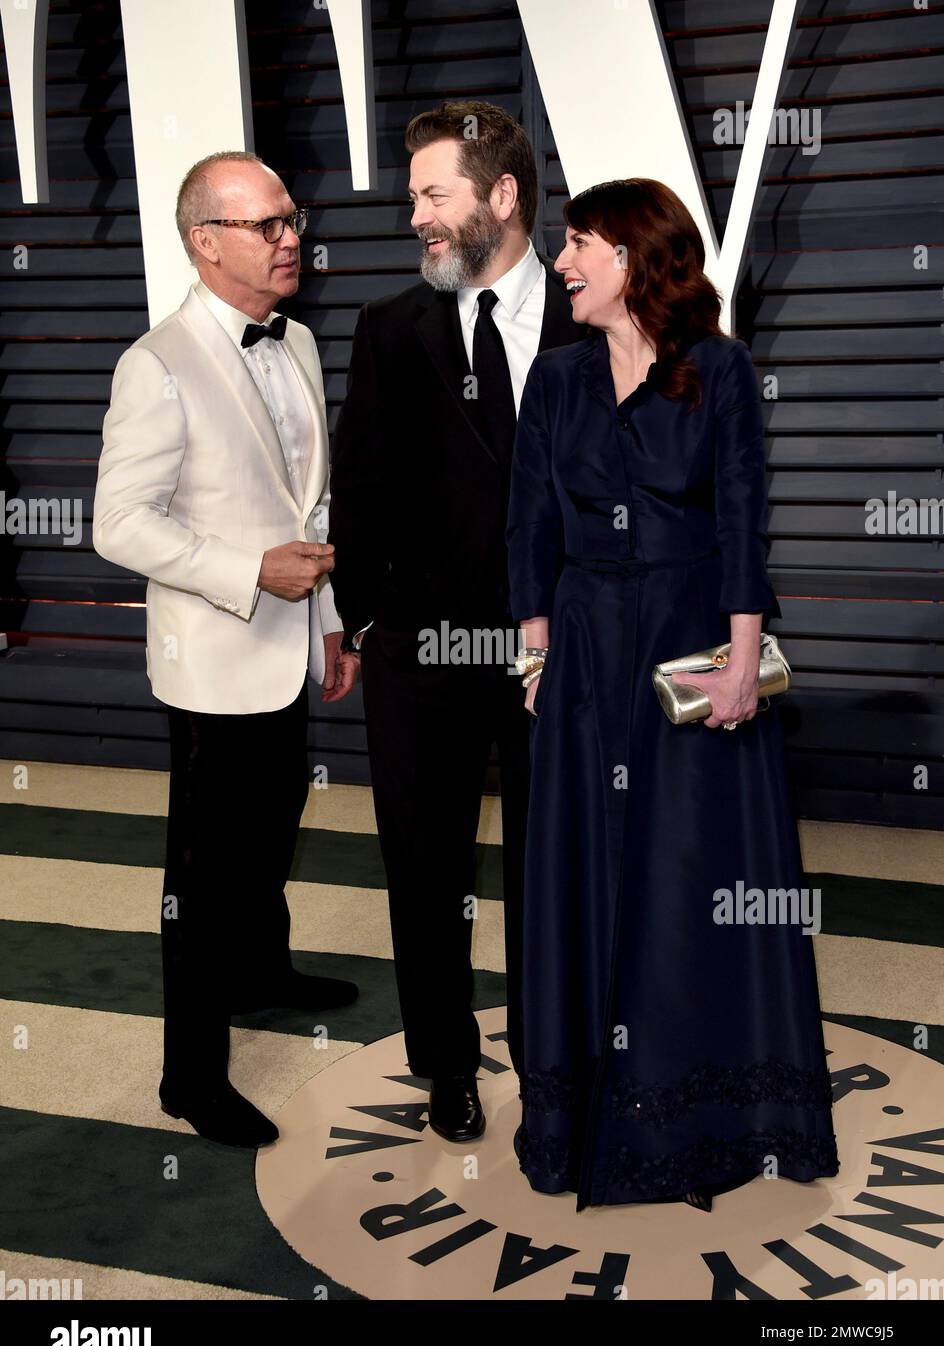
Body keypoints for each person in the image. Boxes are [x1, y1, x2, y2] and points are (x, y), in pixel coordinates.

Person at [505, 178, 840, 1211]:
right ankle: (587, 1105)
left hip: (690, 642)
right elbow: (526, 525)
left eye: (578, 245)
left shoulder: (720, 369)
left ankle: (703, 1112)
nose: (560, 263)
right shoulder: (554, 379)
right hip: (585, 655)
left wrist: (741, 658)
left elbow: (742, 516)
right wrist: (533, 653)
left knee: (689, 876)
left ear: (636, 259)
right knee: (586, 870)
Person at [328, 102, 587, 1142]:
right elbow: (361, 483)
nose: (417, 219)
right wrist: (369, 620)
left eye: (435, 195)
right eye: (412, 200)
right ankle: (444, 1064)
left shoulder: (587, 314)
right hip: (422, 654)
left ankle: (552, 1056)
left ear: (502, 198)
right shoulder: (388, 329)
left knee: (551, 862)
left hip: (555, 648)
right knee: (423, 868)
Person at [93, 152, 360, 1150]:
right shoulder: (155, 364)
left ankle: (264, 970)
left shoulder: (292, 348)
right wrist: (249, 570)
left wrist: (326, 618)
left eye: (290, 219)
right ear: (205, 242)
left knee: (272, 825)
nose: (291, 237)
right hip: (211, 660)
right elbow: (117, 525)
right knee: (199, 879)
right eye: (266, 225)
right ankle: (189, 1075)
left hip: (290, 644)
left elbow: (309, 506)